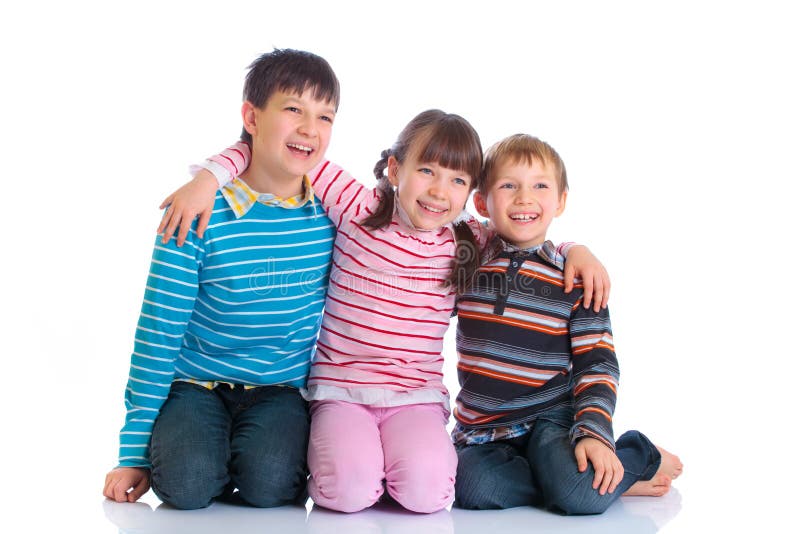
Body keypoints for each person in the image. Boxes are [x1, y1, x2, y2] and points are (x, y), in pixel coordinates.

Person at [168, 111, 610, 513]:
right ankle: (364, 466)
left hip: (415, 398)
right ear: (396, 170)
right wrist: (208, 179)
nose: (439, 191)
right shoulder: (358, 208)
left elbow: (523, 232)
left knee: (428, 495)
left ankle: (397, 466)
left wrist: (576, 249)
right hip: (343, 392)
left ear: (471, 194)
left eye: (457, 180)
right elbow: (284, 151)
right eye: (426, 171)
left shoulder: (467, 240)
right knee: (346, 493)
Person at [102, 48, 341, 509]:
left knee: (271, 485)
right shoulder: (197, 211)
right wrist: (133, 453)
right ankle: (206, 456)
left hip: (280, 390)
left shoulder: (332, 218)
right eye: (293, 109)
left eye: (325, 116)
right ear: (251, 117)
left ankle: (244, 459)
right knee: (186, 485)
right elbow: (159, 331)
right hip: (195, 384)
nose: (310, 129)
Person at [451, 134, 683, 514]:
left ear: (560, 201)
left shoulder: (576, 277)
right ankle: (577, 481)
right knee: (470, 487)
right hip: (486, 430)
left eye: (540, 186)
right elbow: (435, 216)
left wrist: (593, 431)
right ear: (481, 201)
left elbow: (597, 363)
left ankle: (637, 455)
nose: (524, 198)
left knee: (580, 495)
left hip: (551, 418)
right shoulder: (467, 264)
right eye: (508, 186)